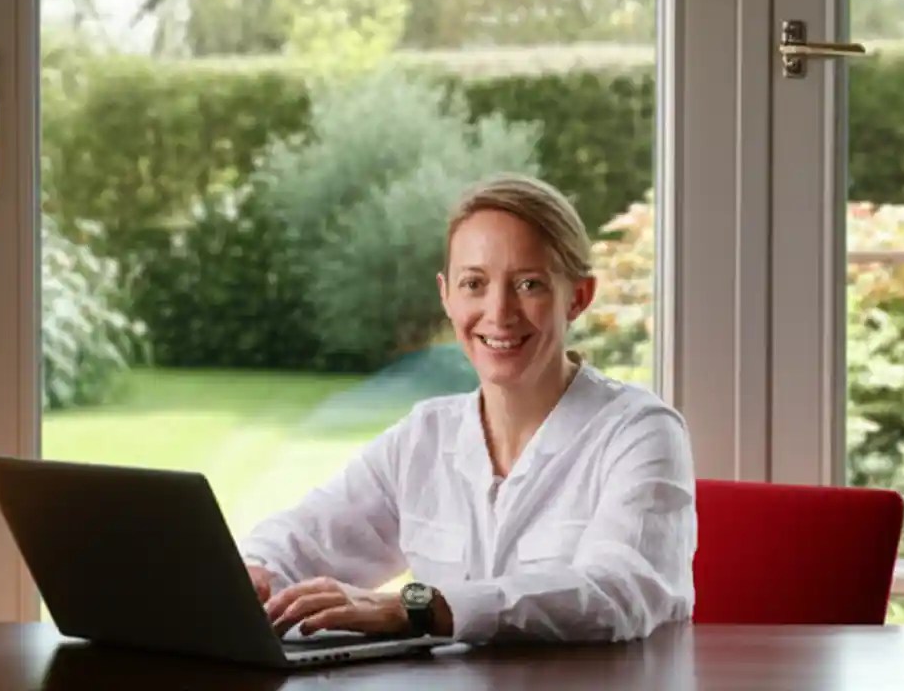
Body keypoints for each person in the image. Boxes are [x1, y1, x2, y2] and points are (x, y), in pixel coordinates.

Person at [237, 174, 696, 644]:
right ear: (447, 296)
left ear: (578, 297)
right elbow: (301, 540)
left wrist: (418, 608)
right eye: (473, 283)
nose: (498, 312)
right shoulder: (424, 437)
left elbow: (617, 591)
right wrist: (253, 577)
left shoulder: (640, 431)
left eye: (529, 284)